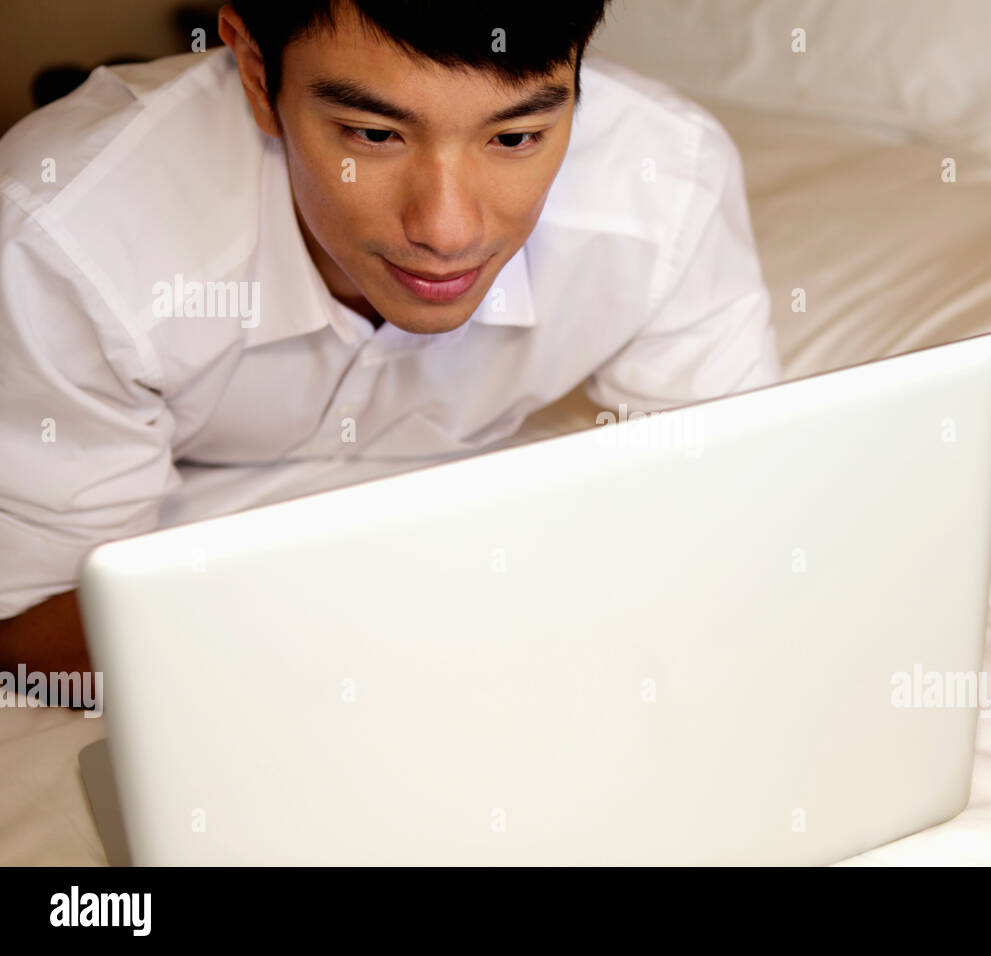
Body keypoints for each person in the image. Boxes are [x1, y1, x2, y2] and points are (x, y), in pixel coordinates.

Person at [0, 1, 782, 690]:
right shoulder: (64, 244)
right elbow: (26, 631)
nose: (448, 233)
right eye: (374, 134)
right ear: (251, 68)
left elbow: (729, 511)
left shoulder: (668, 193)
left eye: (516, 136)